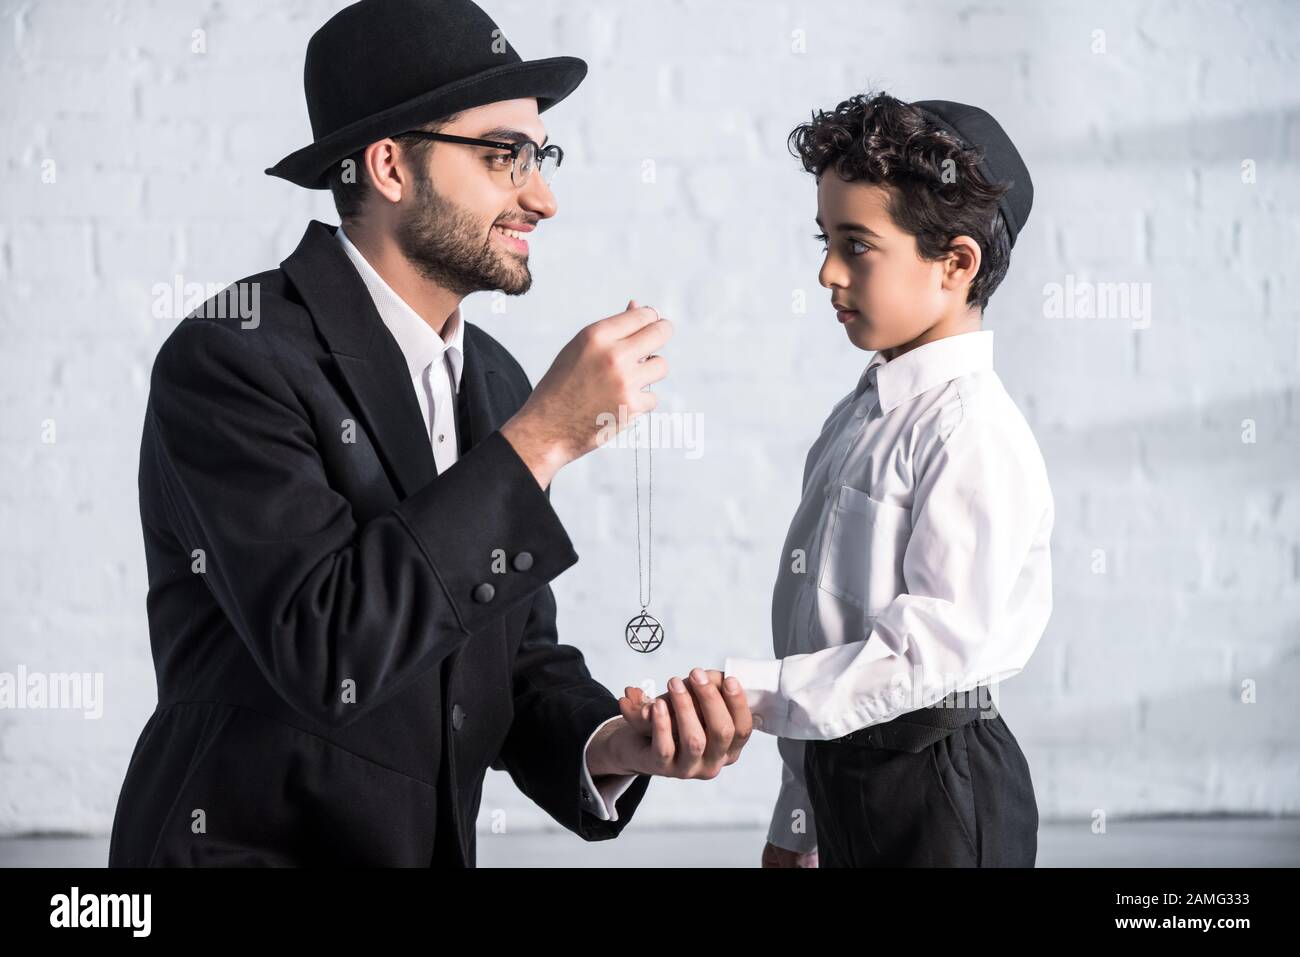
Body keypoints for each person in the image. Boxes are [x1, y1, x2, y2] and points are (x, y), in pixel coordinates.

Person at [108, 0, 752, 868]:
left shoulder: (494, 377)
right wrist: (541, 439)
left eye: (541, 156)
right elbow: (327, 643)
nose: (544, 196)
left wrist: (615, 745)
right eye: (503, 157)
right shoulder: (231, 355)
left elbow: (510, 661)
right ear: (388, 166)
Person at [625, 92, 1052, 868]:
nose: (826, 271)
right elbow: (825, 633)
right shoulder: (858, 415)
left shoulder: (974, 433)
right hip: (844, 773)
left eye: (857, 244)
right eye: (825, 239)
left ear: (957, 263)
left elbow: (928, 651)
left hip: (939, 795)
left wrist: (747, 695)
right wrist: (798, 819)